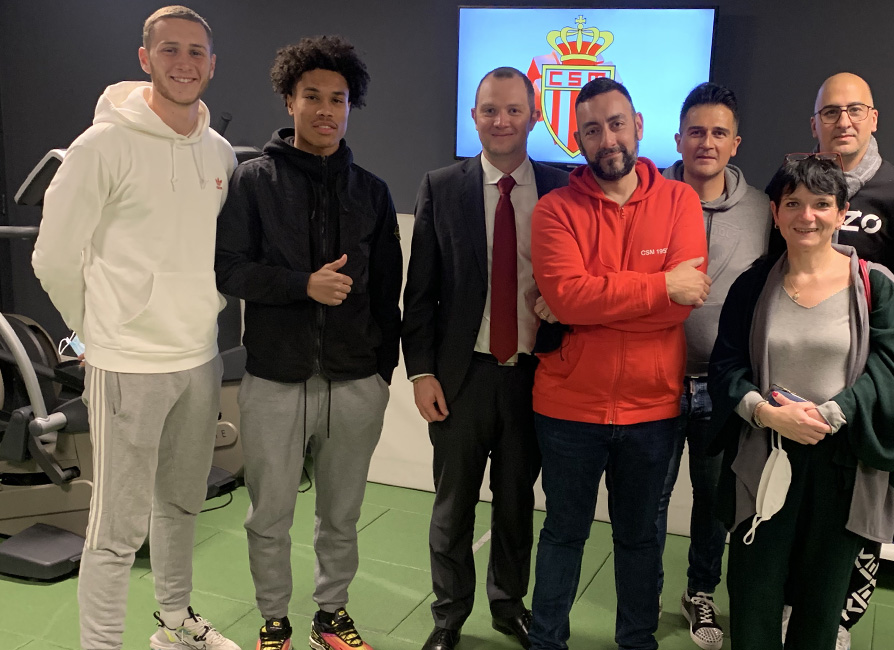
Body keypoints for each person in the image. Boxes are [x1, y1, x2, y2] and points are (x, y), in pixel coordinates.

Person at [31, 6, 240, 650]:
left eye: (197, 52)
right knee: (115, 527)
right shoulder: (102, 146)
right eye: (170, 50)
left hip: (198, 357)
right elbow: (53, 257)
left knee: (180, 505)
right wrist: (94, 338)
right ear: (145, 58)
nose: (185, 63)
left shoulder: (220, 152)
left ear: (211, 63)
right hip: (126, 364)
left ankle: (175, 624)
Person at [214, 35, 400, 650]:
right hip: (273, 379)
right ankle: (274, 620)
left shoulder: (371, 193)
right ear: (289, 101)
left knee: (340, 517)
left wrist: (382, 373)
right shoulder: (252, 182)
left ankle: (332, 617)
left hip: (354, 382)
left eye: (338, 99)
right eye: (312, 96)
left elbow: (388, 296)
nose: (326, 109)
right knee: (268, 515)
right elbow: (230, 271)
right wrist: (303, 285)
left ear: (350, 107)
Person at [709, 155, 894, 650]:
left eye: (821, 204)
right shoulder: (753, 286)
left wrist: (835, 413)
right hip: (766, 458)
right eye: (793, 203)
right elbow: (725, 369)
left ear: (842, 212)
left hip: (841, 465)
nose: (806, 216)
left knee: (821, 602)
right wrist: (766, 413)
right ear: (775, 212)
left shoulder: (874, 285)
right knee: (753, 593)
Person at [527, 77, 709, 650]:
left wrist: (593, 300)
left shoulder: (680, 201)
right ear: (576, 139)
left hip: (652, 410)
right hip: (567, 408)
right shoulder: (555, 209)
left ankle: (637, 641)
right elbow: (565, 299)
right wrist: (658, 287)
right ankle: (547, 640)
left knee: (639, 540)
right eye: (591, 129)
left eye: (615, 123)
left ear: (638, 126)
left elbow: (680, 309)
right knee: (562, 533)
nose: (606, 138)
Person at [401, 66, 569, 650]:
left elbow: (582, 282)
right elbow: (419, 293)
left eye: (513, 110)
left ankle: (508, 604)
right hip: (460, 376)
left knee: (518, 502)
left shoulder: (562, 189)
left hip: (535, 377)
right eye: (489, 110)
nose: (501, 121)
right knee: (452, 506)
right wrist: (421, 372)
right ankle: (448, 617)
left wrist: (563, 305)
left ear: (536, 115)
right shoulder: (440, 186)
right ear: (473, 116)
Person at [808, 72, 894, 648]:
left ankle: (839, 620)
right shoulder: (796, 187)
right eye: (831, 112)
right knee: (798, 508)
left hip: (869, 387)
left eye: (855, 110)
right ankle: (796, 607)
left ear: (874, 118)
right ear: (815, 124)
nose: (843, 121)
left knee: (863, 511)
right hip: (803, 380)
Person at [654, 82, 771, 650]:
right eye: (696, 131)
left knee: (713, 502)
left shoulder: (763, 210)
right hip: (652, 382)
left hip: (721, 386)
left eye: (718, 133)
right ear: (678, 138)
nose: (706, 142)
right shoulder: (645, 193)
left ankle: (700, 592)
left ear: (735, 143)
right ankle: (640, 588)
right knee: (647, 497)